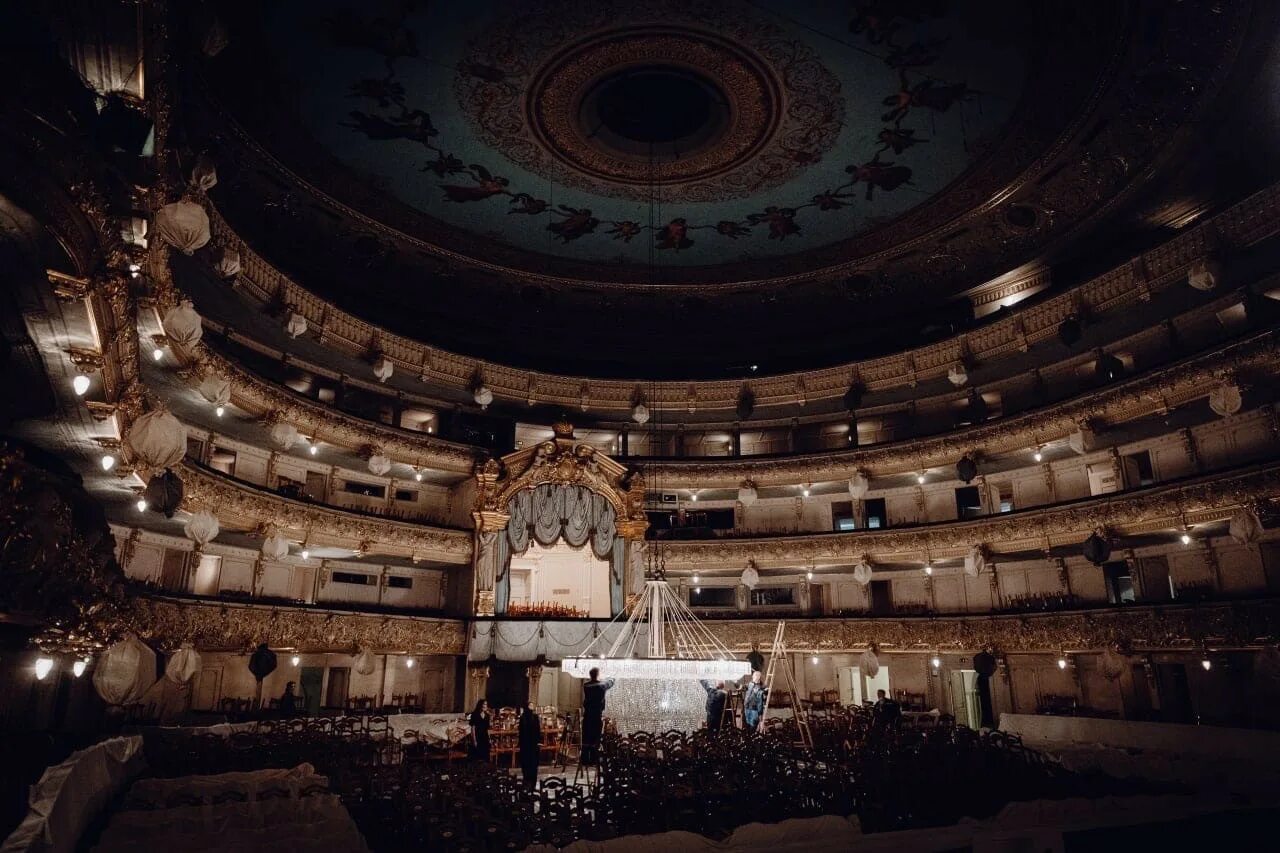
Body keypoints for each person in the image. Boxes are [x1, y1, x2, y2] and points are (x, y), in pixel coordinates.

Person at [580, 667, 615, 765]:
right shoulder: (601, 685)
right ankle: (594, 759)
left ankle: (585, 759)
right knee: (596, 738)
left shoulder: (586, 685)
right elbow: (610, 683)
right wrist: (611, 676)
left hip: (587, 716)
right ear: (598, 674)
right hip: (596, 716)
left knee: (586, 738)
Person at [518, 703, 542, 790]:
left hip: (534, 745)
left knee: (533, 765)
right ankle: (526, 783)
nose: (532, 707)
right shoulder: (523, 718)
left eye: (532, 706)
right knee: (526, 765)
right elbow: (521, 732)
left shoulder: (535, 717)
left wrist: (539, 742)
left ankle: (533, 784)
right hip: (525, 745)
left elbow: (538, 730)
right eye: (530, 705)